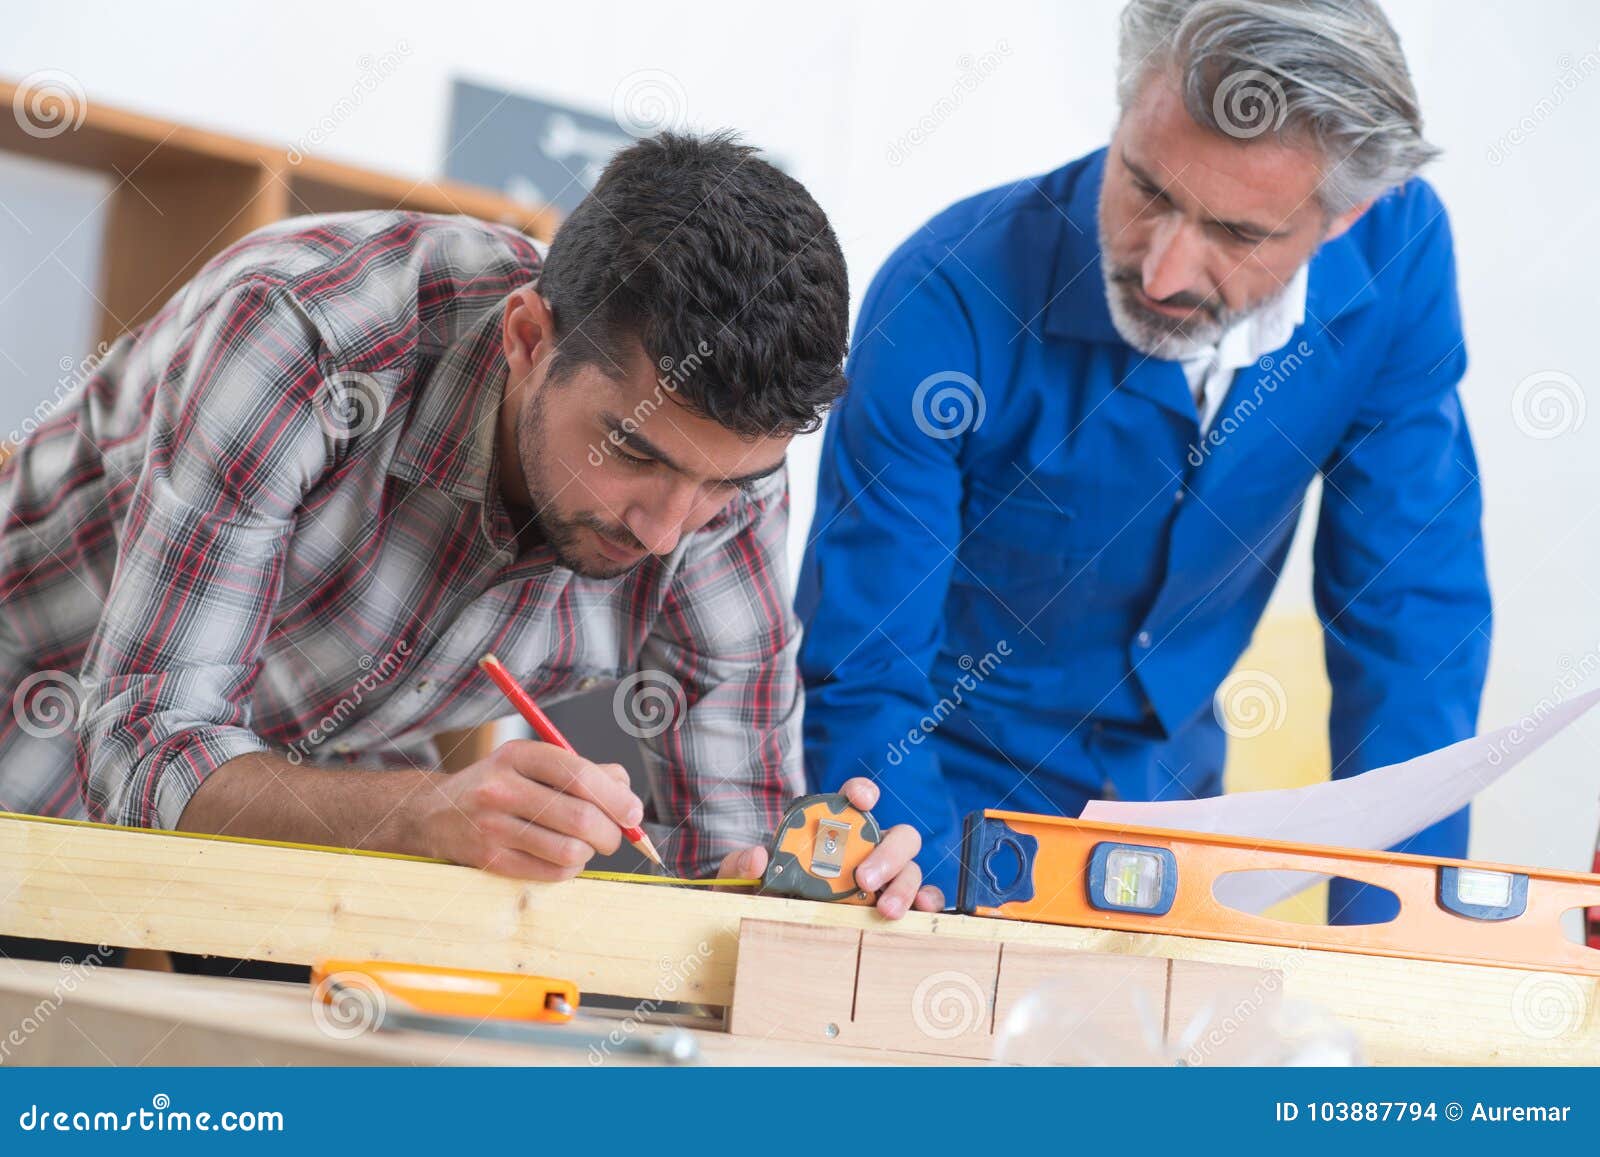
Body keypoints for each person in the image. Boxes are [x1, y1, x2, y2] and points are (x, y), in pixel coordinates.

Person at [0, 131, 939, 926]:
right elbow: (143, 754)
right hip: (46, 710)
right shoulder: (307, 336)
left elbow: (732, 838)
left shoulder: (719, 470)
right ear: (528, 339)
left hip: (322, 775)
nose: (666, 532)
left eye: (723, 485)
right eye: (633, 454)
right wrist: (419, 812)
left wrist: (795, 896)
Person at [797, 0, 1489, 923]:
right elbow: (868, 664)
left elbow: (1411, 610)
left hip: (1178, 827)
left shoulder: (1396, 254)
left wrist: (1399, 937)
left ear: (1343, 216)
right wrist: (918, 897)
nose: (1162, 273)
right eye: (1147, 188)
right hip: (945, 804)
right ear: (1125, 111)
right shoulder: (946, 297)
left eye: (1238, 235)